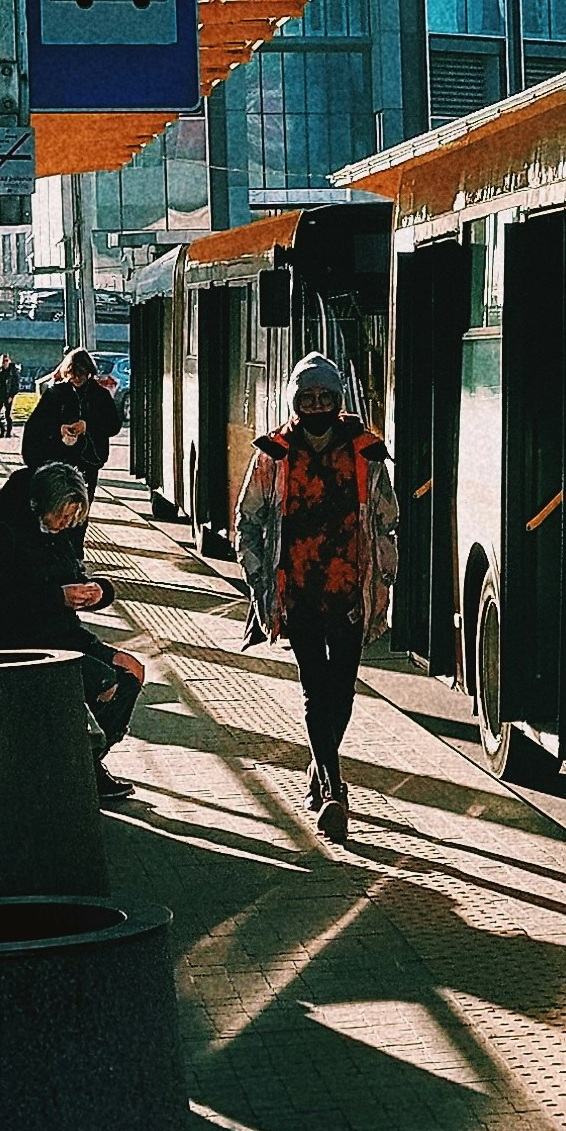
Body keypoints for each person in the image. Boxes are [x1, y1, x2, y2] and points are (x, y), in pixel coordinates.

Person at [236, 351, 398, 844]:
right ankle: (333, 788)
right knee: (314, 690)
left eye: (325, 397)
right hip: (298, 591)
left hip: (350, 589)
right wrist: (260, 578)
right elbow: (249, 519)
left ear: (338, 400)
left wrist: (385, 578)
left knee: (342, 691)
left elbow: (387, 519)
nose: (317, 406)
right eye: (307, 398)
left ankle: (318, 765)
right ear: (294, 403)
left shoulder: (367, 453)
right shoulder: (274, 453)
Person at [0, 457, 147, 766]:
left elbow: (75, 576)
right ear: (39, 504)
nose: (67, 524)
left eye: (73, 517)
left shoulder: (59, 535)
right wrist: (57, 597)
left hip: (65, 635)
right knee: (108, 683)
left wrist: (98, 591)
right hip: (22, 640)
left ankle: (89, 760)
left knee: (132, 669)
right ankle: (81, 763)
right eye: (62, 516)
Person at [22, 343, 124, 482]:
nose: (77, 379)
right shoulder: (55, 393)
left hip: (89, 460)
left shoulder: (100, 395)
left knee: (83, 498)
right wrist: (59, 429)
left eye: (81, 375)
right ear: (67, 373)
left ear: (89, 372)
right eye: (73, 375)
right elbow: (36, 424)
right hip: (58, 458)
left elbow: (114, 425)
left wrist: (87, 426)